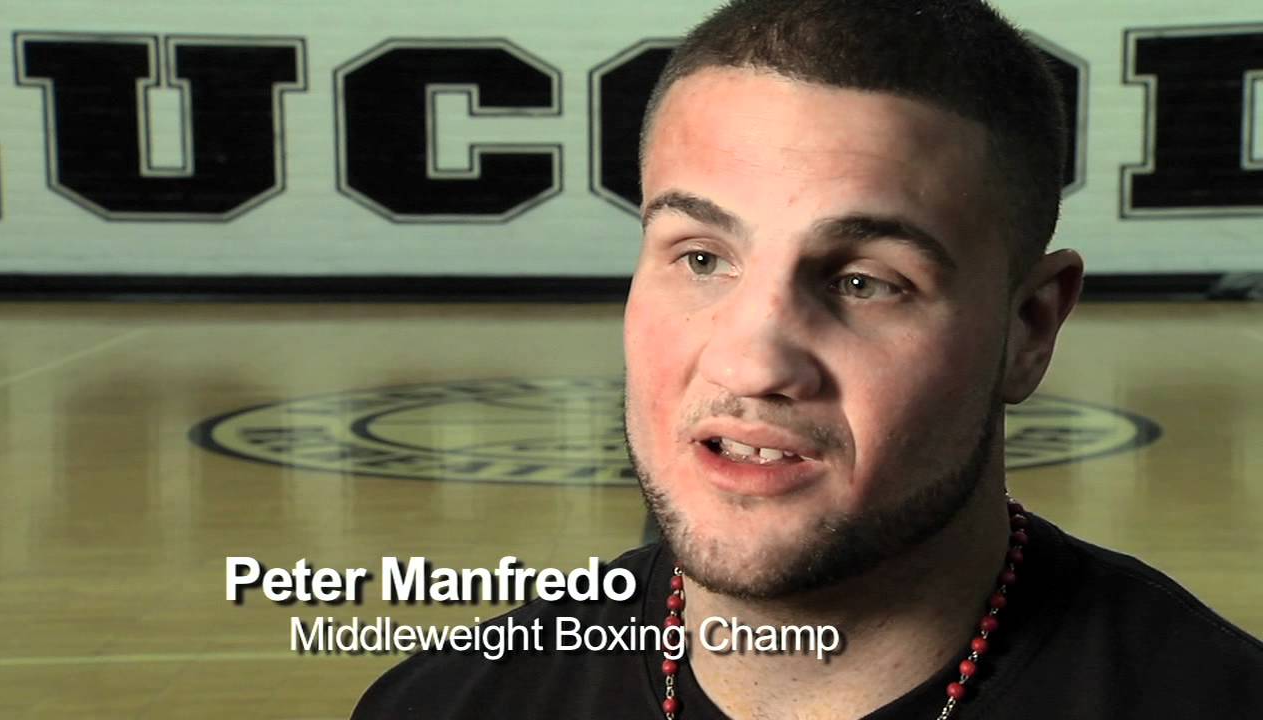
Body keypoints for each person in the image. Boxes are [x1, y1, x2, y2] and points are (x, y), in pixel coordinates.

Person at [352, 1, 1263, 717]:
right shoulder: (444, 702)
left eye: (866, 281)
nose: (751, 365)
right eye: (702, 257)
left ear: (1028, 329)